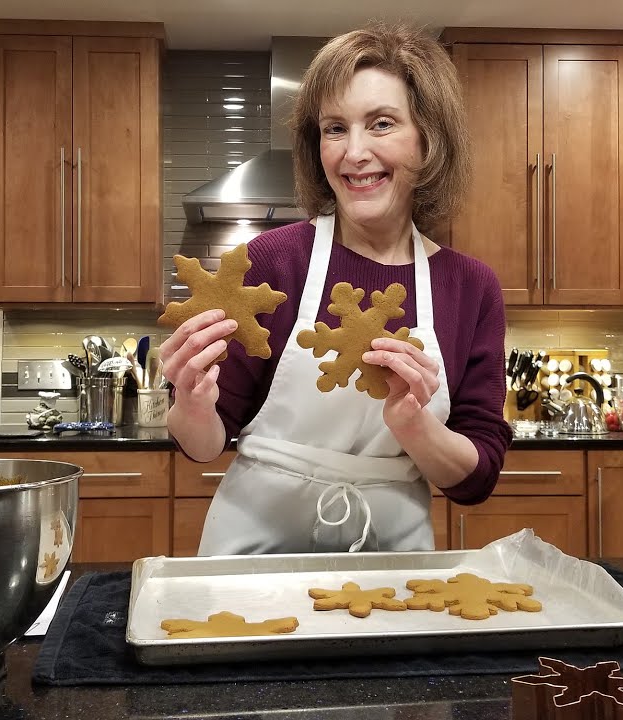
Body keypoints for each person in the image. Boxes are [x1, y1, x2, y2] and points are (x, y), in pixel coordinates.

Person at [159, 21, 511, 555]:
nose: (354, 153)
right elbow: (204, 445)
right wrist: (190, 403)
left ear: (430, 138)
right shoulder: (271, 263)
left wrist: (414, 427)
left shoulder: (471, 287)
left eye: (382, 123)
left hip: (394, 566)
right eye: (334, 128)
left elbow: (475, 480)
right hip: (252, 552)